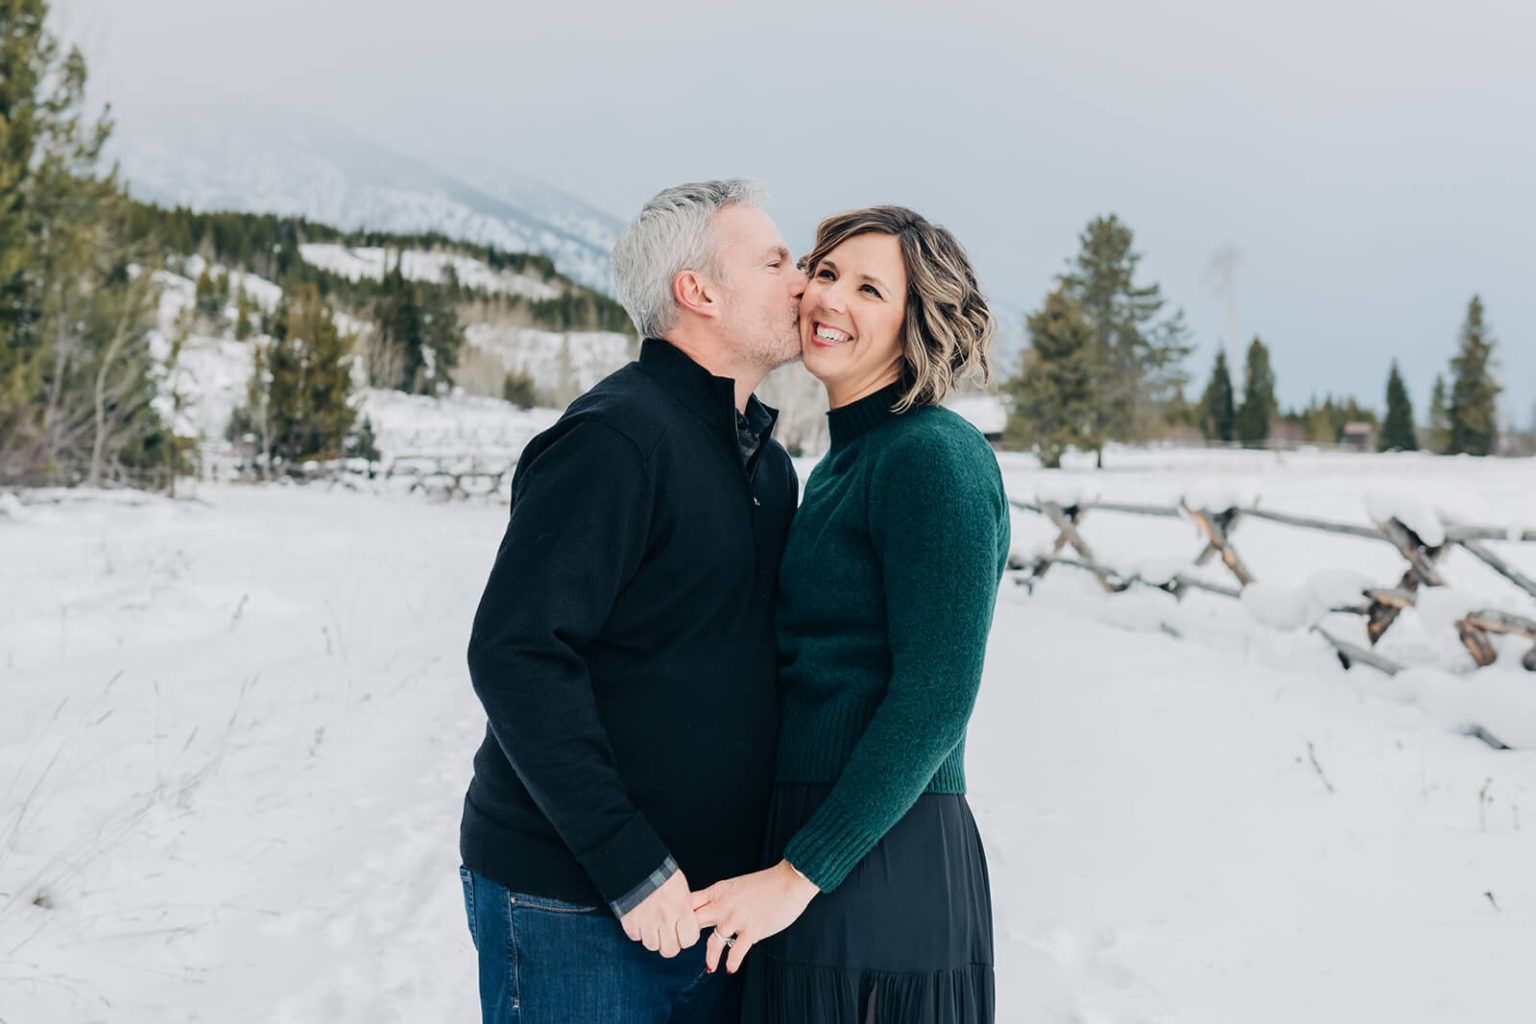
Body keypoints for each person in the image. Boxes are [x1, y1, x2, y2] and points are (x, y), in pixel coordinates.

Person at [458, 179, 807, 1024]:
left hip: (715, 909)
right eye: (775, 263)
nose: (805, 282)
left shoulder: (767, 465)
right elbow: (516, 652)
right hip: (576, 904)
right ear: (699, 292)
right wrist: (629, 864)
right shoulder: (617, 439)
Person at [690, 206, 1010, 1023]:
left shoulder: (935, 454)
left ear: (916, 323)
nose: (831, 298)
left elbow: (938, 692)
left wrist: (800, 874)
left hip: (880, 851)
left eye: (870, 289)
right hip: (819, 838)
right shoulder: (844, 464)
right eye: (826, 273)